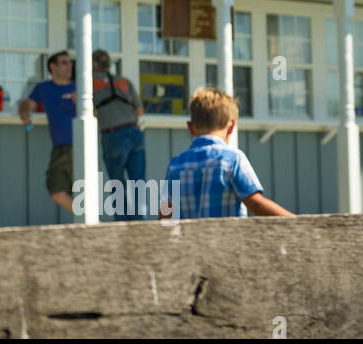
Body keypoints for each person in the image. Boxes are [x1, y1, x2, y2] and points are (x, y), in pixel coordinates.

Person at [160, 86, 294, 220]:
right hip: (227, 240)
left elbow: (166, 215)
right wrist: (298, 222)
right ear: (231, 127)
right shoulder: (233, 160)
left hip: (188, 241)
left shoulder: (175, 166)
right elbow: (256, 204)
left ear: (190, 127)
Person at [91, 49, 147, 221]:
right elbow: (139, 110)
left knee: (117, 182)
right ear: (109, 64)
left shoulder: (90, 84)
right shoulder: (124, 82)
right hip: (134, 132)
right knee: (138, 182)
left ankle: (122, 224)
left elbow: (90, 111)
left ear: (92, 65)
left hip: (112, 134)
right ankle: (139, 224)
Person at [18, 51, 76, 212]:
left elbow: (95, 114)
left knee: (78, 191)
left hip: (78, 146)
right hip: (59, 147)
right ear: (53, 66)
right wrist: (25, 113)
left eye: (70, 62)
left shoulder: (79, 87)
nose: (69, 65)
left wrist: (82, 103)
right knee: (57, 190)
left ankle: (92, 224)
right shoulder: (43, 88)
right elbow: (27, 104)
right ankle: (93, 223)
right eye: (64, 62)